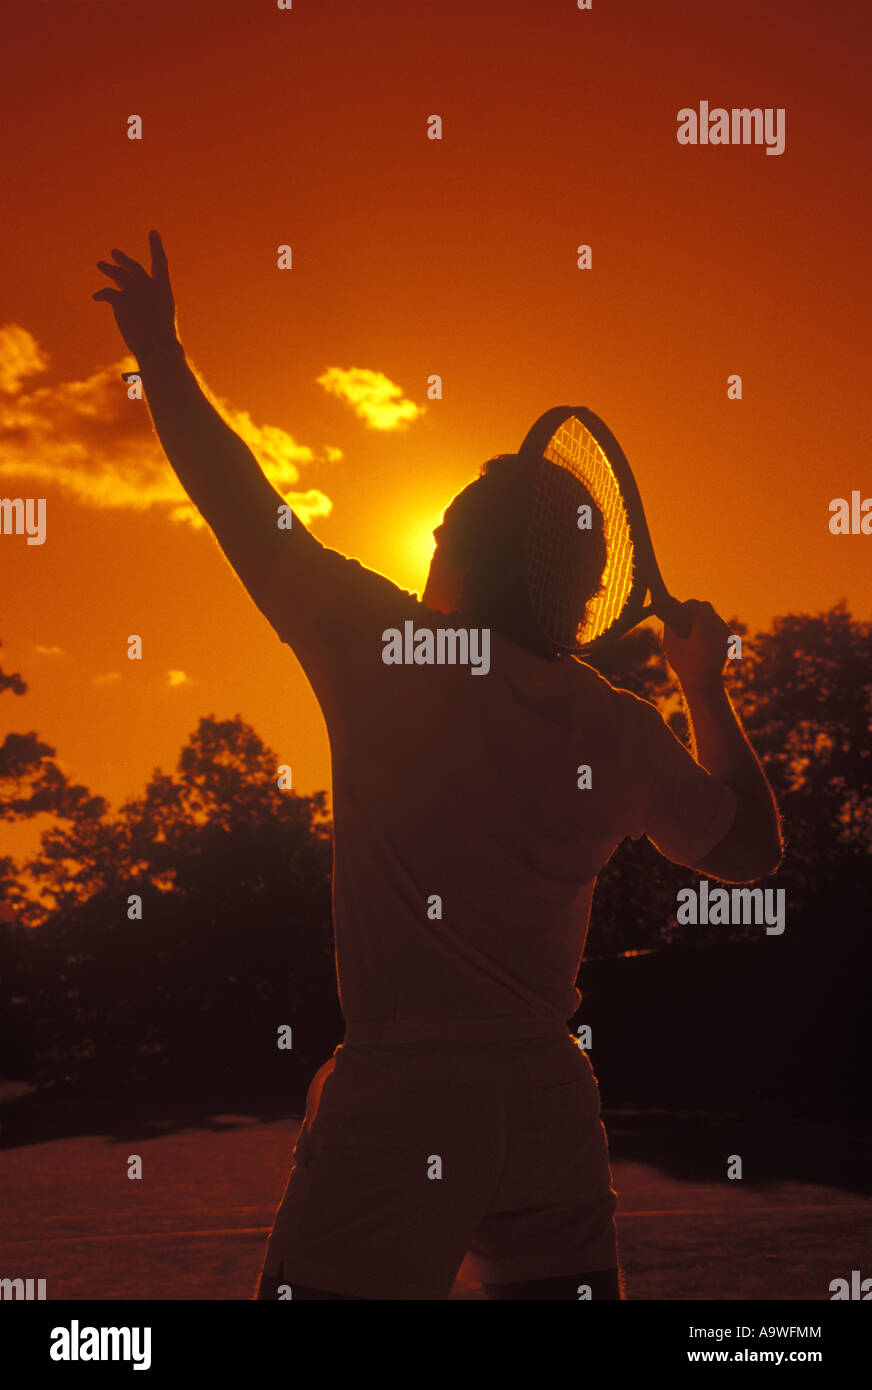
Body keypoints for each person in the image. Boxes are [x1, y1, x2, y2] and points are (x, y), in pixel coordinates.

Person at [94, 233, 783, 1301]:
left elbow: (239, 498)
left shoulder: (383, 651)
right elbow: (749, 848)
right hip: (549, 1104)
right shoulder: (616, 725)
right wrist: (704, 685)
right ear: (583, 593)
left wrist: (163, 355)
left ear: (455, 549)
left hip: (405, 1096)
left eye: (440, 534)